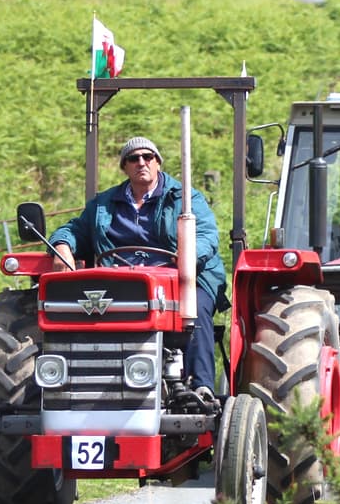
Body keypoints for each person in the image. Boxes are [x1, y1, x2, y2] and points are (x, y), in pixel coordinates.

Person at [47, 136, 226, 393]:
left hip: (178, 278)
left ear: (157, 163)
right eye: (134, 158)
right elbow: (76, 229)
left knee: (194, 308)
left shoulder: (184, 198)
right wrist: (62, 245)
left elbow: (206, 234)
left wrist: (186, 259)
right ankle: (77, 383)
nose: (141, 162)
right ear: (125, 166)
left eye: (148, 157)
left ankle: (202, 387)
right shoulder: (104, 204)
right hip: (120, 281)